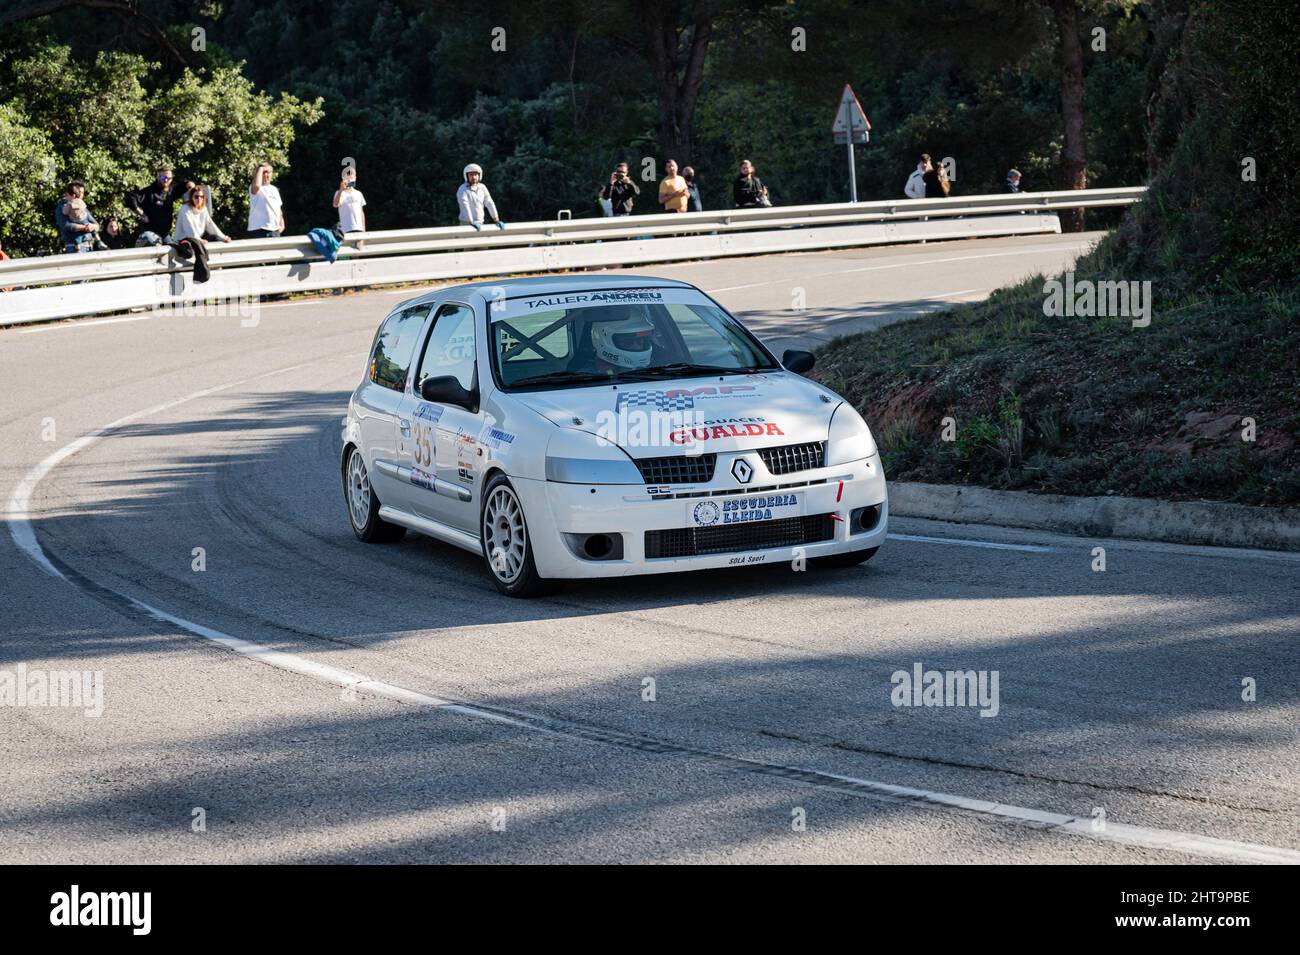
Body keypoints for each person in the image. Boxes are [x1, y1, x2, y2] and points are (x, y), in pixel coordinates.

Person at [125, 167, 194, 239]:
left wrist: (190, 184)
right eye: (163, 178)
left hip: (165, 234)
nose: (166, 180)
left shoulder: (172, 191)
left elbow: (186, 186)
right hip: (150, 234)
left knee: (175, 248)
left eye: (169, 178)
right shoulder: (149, 192)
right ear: (158, 177)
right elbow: (130, 198)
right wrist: (141, 214)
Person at [591, 307, 655, 373]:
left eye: (641, 342)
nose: (637, 347)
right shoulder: (589, 376)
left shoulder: (661, 366)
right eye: (627, 342)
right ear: (603, 341)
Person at [54, 182, 99, 253]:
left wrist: (92, 226)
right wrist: (85, 227)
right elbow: (66, 225)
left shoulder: (82, 207)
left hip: (89, 245)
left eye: (82, 193)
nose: (80, 195)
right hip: (73, 246)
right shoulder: (62, 207)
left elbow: (96, 225)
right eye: (79, 192)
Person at [457, 163, 503, 230]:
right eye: (471, 175)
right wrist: (471, 222)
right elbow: (465, 206)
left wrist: (496, 219)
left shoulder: (482, 187)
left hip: (480, 223)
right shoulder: (462, 189)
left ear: (479, 175)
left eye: (476, 174)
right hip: (466, 224)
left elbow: (490, 203)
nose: (474, 177)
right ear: (466, 176)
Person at [247, 163, 285, 237]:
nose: (265, 175)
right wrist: (261, 168)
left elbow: (278, 210)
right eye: (263, 172)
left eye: (268, 172)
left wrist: (281, 226)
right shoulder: (254, 187)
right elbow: (256, 185)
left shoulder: (274, 189)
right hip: (258, 230)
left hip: (274, 230)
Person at [333, 170, 367, 235]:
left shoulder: (359, 193)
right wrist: (341, 190)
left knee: (359, 245)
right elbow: (336, 204)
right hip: (345, 230)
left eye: (352, 175)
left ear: (355, 177)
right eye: (347, 176)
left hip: (359, 229)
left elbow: (361, 213)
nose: (349, 178)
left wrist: (364, 230)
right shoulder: (339, 193)